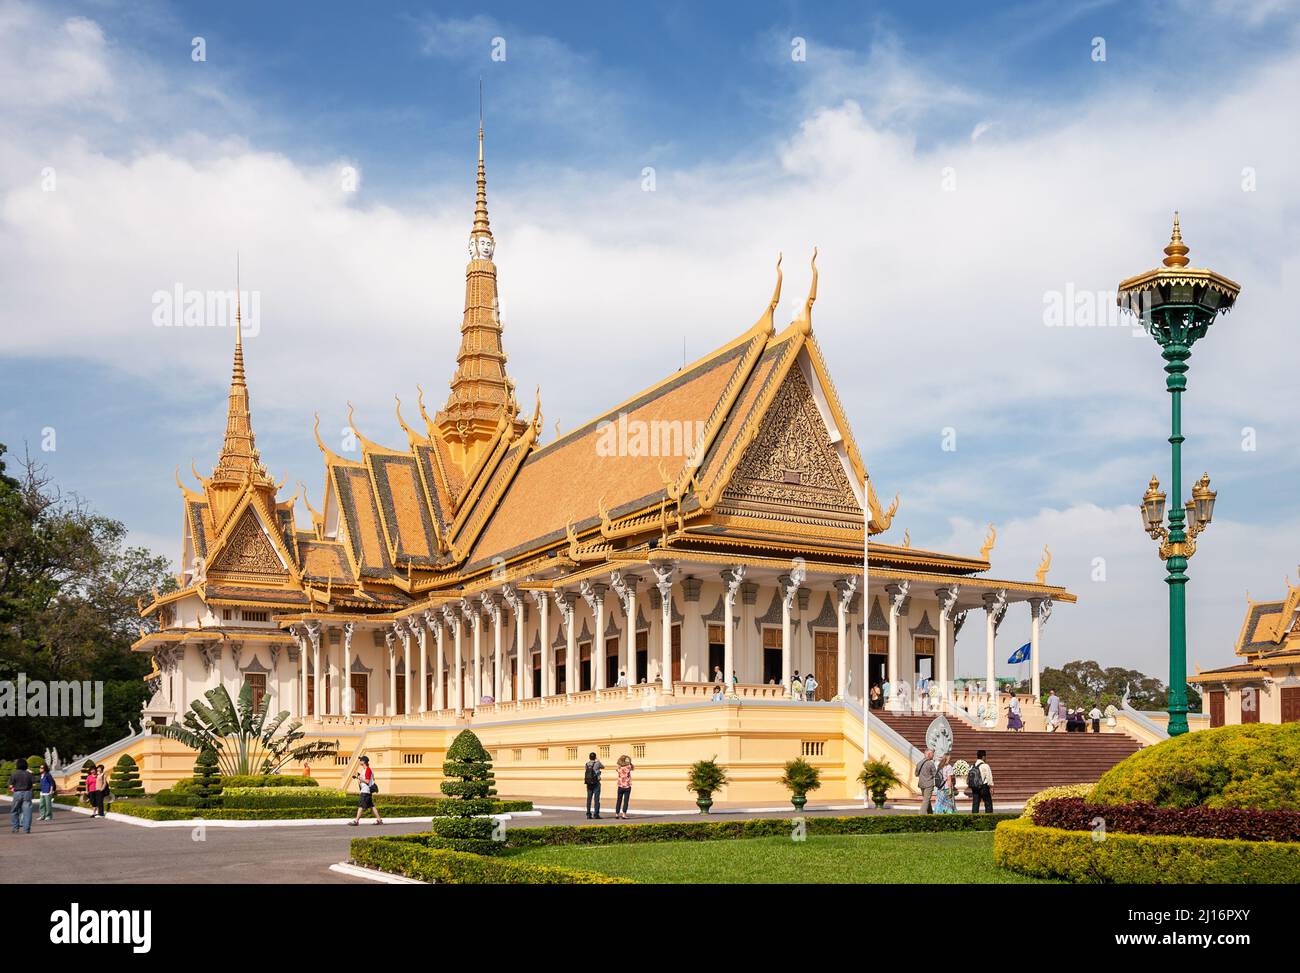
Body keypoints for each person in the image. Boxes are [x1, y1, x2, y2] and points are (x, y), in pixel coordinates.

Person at [348, 755, 383, 826]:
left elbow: (367, 781)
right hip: (365, 790)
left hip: (366, 791)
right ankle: (379, 820)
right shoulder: (364, 770)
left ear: (363, 762)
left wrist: (358, 777)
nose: (360, 761)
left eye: (361, 760)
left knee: (361, 806)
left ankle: (356, 821)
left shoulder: (368, 770)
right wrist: (358, 777)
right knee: (372, 806)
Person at [8, 758, 35, 834]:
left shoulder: (14, 773)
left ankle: (15, 828)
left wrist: (12, 789)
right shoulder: (29, 774)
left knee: (14, 811)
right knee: (27, 812)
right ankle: (27, 829)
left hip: (17, 793)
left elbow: (10, 786)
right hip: (27, 793)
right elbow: (33, 784)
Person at [915, 748, 937, 814]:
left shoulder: (919, 763)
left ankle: (930, 814)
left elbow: (916, 774)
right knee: (926, 800)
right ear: (929, 754)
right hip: (928, 785)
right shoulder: (930, 763)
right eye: (933, 754)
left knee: (926, 799)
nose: (933, 756)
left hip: (921, 783)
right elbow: (935, 774)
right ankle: (920, 815)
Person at [584, 751, 604, 819]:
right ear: (595, 757)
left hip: (589, 783)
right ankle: (596, 814)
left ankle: (588, 814)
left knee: (589, 799)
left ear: (589, 757)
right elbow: (603, 767)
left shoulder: (587, 764)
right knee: (596, 799)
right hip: (596, 783)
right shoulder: (597, 763)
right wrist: (597, 761)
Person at [614, 754, 634, 819]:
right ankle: (624, 814)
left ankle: (617, 814)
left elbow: (616, 768)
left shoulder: (619, 767)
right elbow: (633, 767)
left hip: (620, 786)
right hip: (627, 786)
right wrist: (629, 762)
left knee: (618, 800)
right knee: (626, 801)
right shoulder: (629, 767)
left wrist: (620, 762)